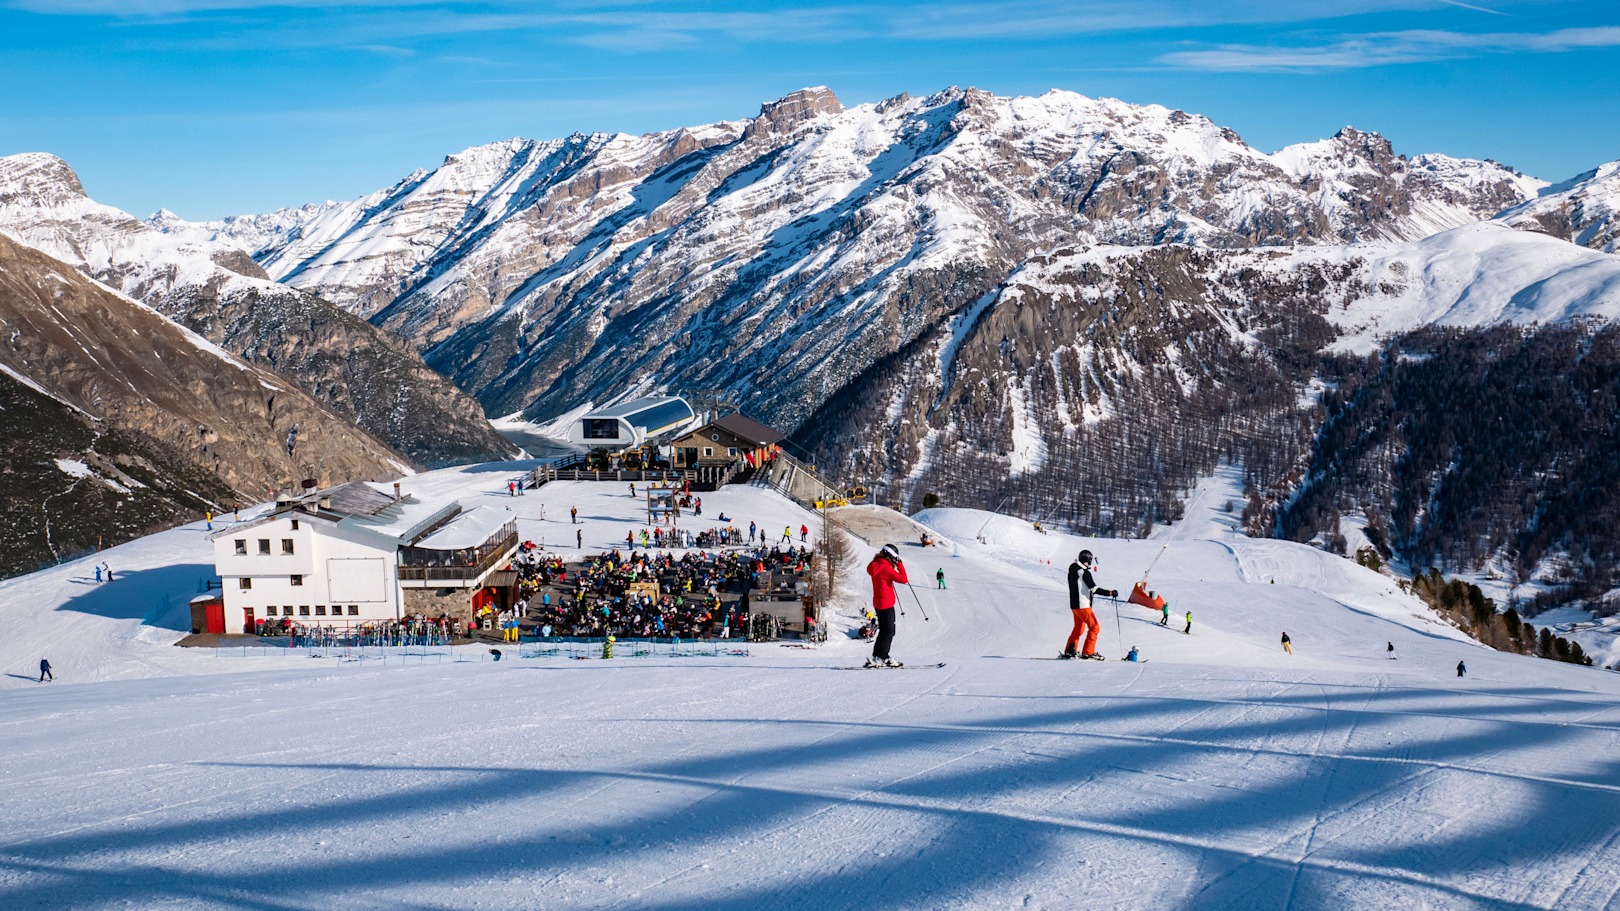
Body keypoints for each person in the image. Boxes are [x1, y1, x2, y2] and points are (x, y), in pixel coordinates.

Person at [1061, 550, 1117, 659]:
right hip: (1083, 606)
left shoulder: (1073, 569)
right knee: (1094, 627)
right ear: (1087, 559)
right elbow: (1094, 589)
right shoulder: (1083, 572)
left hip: (1075, 606)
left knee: (1079, 629)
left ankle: (1070, 650)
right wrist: (1110, 593)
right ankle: (1088, 652)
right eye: (1090, 560)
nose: (1090, 563)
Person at [865, 544, 909, 668]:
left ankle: (877, 656)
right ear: (890, 556)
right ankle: (883, 656)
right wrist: (900, 565)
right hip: (887, 603)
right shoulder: (886, 568)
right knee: (889, 631)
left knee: (884, 631)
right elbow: (904, 579)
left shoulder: (875, 564)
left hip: (878, 603)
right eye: (895, 558)